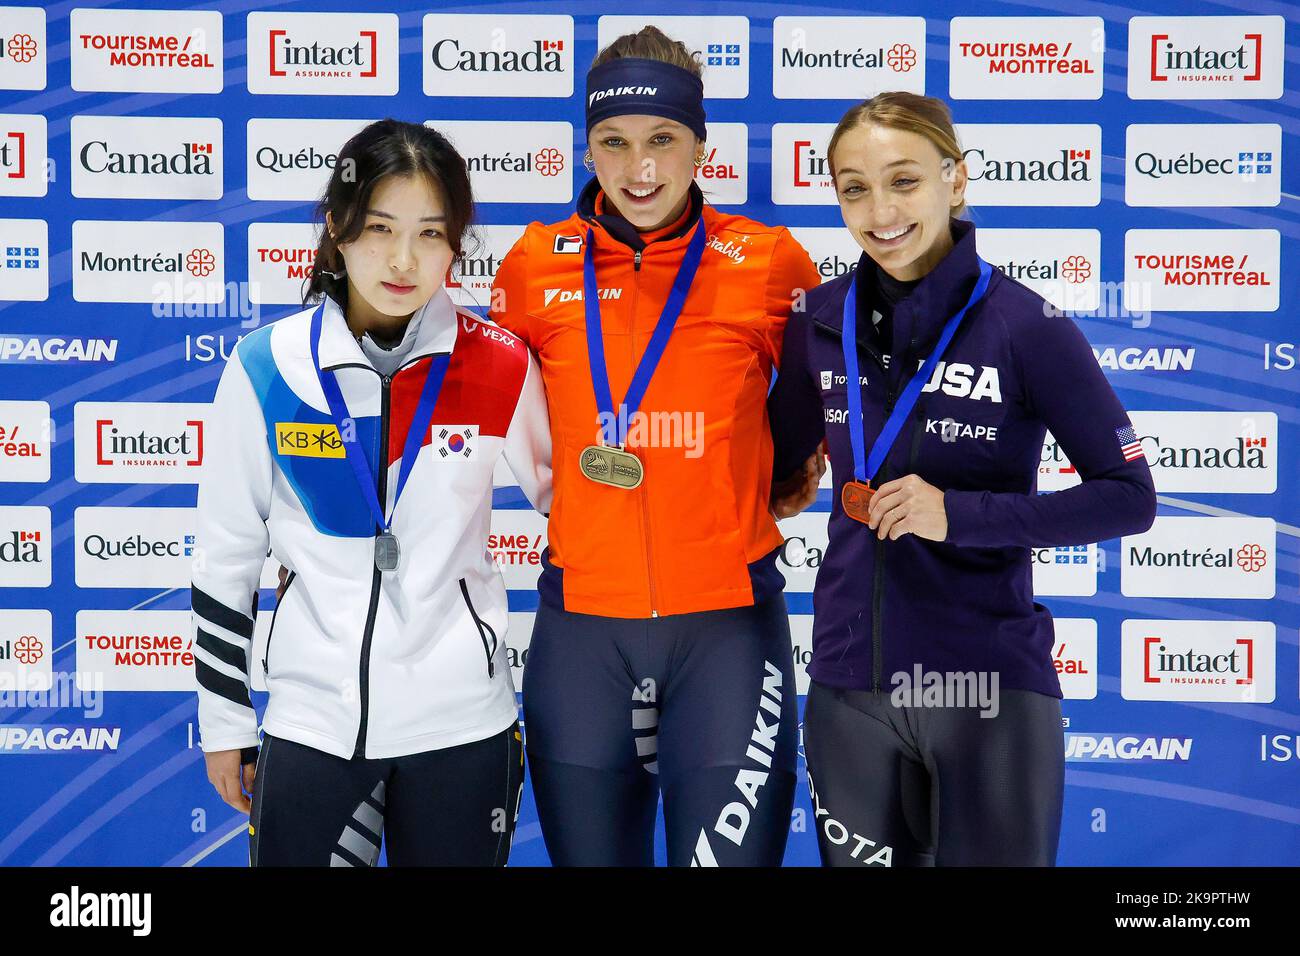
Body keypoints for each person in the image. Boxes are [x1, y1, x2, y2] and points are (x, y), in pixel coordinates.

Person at [768, 92, 1157, 866]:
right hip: (851, 688)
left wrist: (962, 515)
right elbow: (776, 463)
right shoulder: (816, 320)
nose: (880, 211)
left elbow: (1130, 497)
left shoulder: (1027, 325)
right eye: (854, 188)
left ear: (958, 179)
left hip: (984, 687)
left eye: (904, 181)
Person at [489, 26, 822, 866]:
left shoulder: (770, 262)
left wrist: (791, 473)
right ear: (589, 147)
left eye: (663, 141)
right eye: (615, 143)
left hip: (729, 636)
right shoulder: (533, 266)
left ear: (700, 145)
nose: (640, 170)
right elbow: (471, 419)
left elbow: (829, 402)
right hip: (581, 634)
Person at [191, 119, 551, 866]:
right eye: (380, 228)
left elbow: (571, 500)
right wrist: (225, 721)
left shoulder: (501, 365)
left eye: (430, 234)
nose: (402, 259)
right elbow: (227, 553)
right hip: (313, 728)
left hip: (462, 728)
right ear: (337, 228)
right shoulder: (268, 366)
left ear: (457, 243)